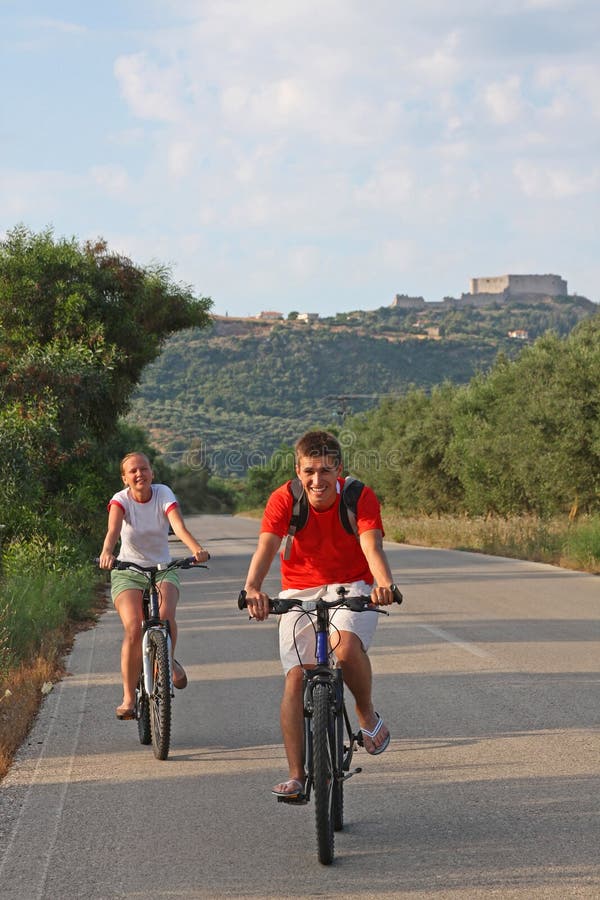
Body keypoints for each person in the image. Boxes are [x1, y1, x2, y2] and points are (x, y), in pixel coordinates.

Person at [242, 430, 400, 799]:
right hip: (298, 590)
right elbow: (266, 547)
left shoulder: (357, 496)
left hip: (354, 585)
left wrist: (384, 583)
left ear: (339, 469)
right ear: (298, 470)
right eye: (310, 471)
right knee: (296, 677)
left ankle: (365, 715)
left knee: (344, 650)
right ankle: (297, 775)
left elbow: (370, 544)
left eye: (326, 470)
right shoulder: (285, 499)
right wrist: (252, 588)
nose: (317, 480)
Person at [98, 451, 209, 720]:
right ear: (125, 478)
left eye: (144, 469)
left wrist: (196, 549)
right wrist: (106, 552)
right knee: (135, 627)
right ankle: (128, 698)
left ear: (152, 473)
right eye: (133, 471)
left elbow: (178, 526)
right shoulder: (120, 500)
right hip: (128, 571)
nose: (139, 474)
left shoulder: (163, 493)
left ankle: (166, 661)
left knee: (165, 616)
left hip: (162, 569)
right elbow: (113, 531)